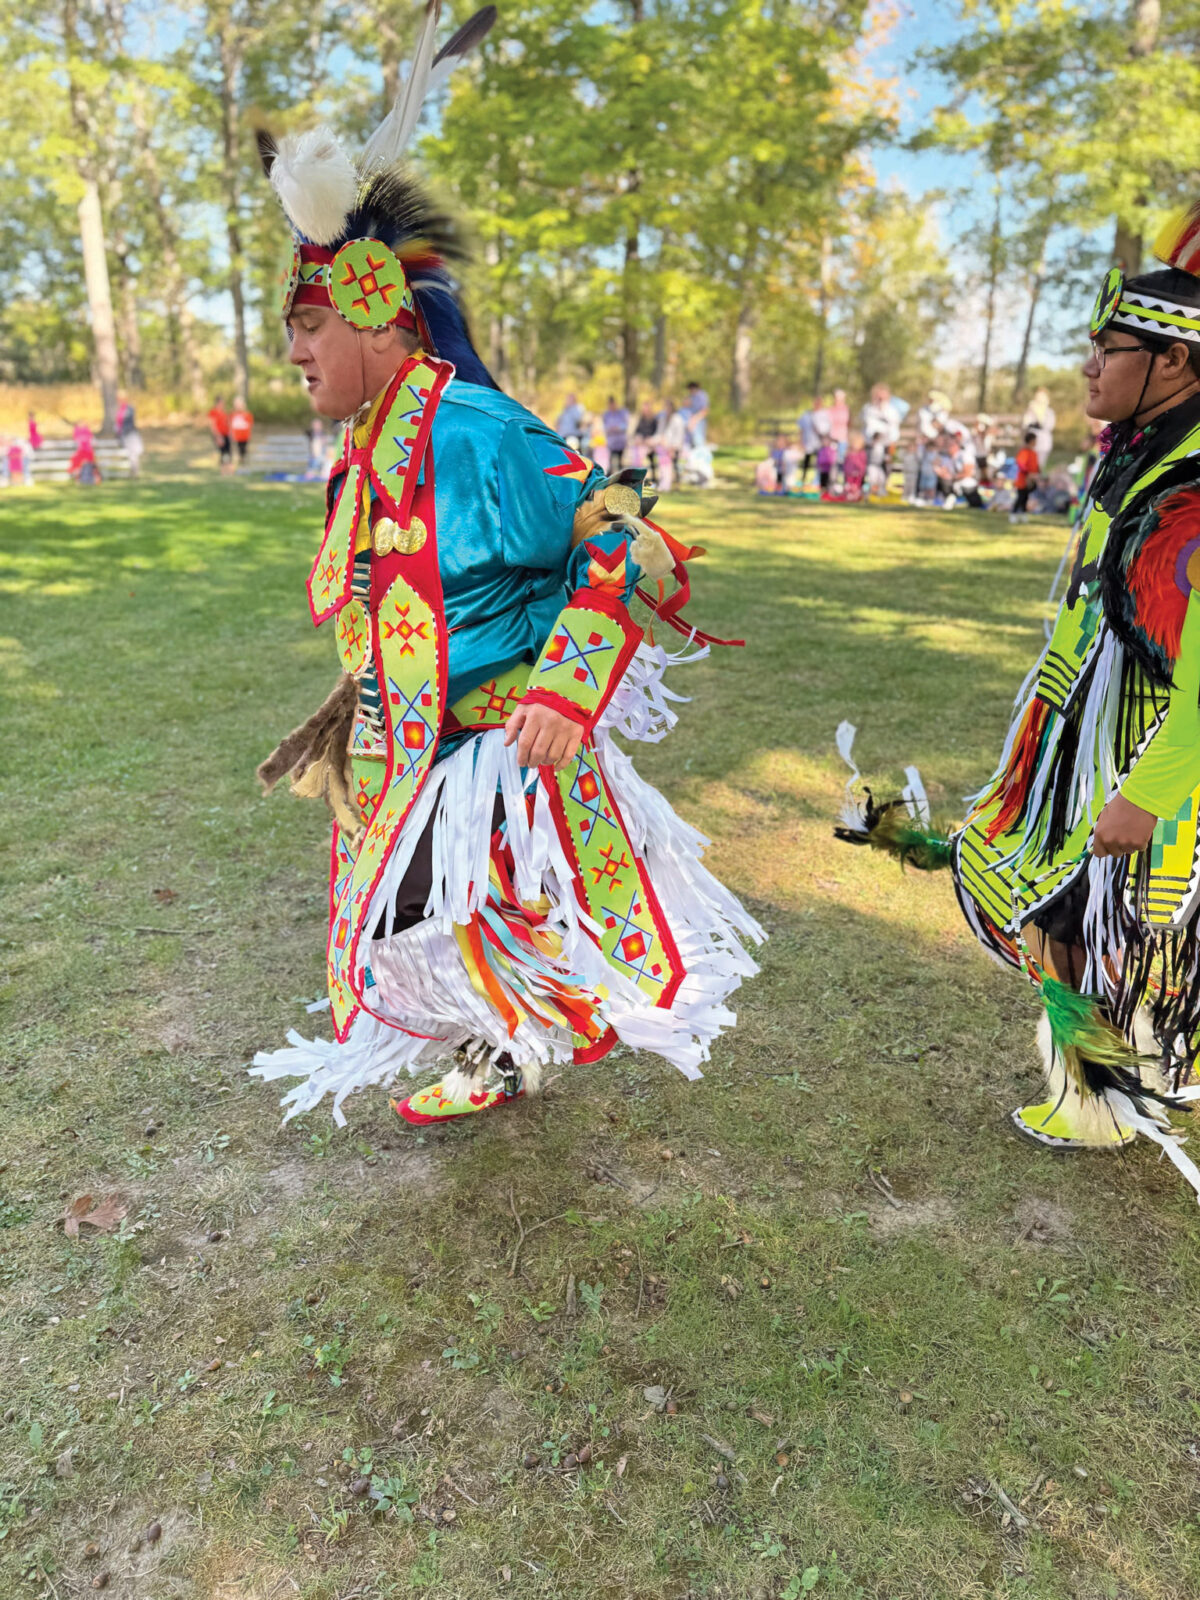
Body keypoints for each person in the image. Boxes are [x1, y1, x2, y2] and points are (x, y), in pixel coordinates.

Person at [248, 11, 762, 1130]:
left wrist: (569, 685)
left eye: (306, 323)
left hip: (494, 748)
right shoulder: (374, 443)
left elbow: (629, 533)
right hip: (410, 745)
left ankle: (532, 1029)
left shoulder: (471, 426)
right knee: (423, 926)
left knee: (457, 911)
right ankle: (508, 1040)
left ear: (378, 309)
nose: (291, 351)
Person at [838, 208, 1200, 1196]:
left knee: (1085, 920)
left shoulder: (1190, 485)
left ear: (1173, 364)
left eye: (1108, 349)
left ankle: (1100, 1095)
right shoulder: (1144, 453)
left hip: (1141, 744)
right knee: (1093, 917)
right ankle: (1141, 1072)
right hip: (1087, 725)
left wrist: (1152, 788)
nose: (1087, 366)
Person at [1011, 428, 1041, 524]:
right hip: (1023, 479)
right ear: (1031, 441)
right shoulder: (1024, 452)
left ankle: (1023, 513)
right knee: (1020, 497)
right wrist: (1028, 473)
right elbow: (1021, 464)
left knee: (1026, 497)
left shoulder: (1034, 453)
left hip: (1030, 479)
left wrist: (1037, 473)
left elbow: (1036, 466)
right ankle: (1014, 513)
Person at [1022, 385, 1057, 468]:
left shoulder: (1049, 412)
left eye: (1041, 397)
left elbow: (1047, 426)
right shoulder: (1031, 411)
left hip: (1042, 445)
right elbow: (1025, 425)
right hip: (1030, 444)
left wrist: (1038, 412)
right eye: (1037, 397)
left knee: (1038, 467)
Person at [115, 391, 144, 477]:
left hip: (130, 434)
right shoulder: (119, 410)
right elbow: (119, 423)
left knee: (134, 452)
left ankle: (135, 471)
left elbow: (128, 422)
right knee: (131, 453)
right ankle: (133, 471)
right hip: (123, 435)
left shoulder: (129, 409)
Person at [602, 395, 630, 473]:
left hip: (620, 441)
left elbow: (625, 425)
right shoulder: (606, 415)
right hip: (611, 442)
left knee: (620, 462)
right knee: (610, 461)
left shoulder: (622, 413)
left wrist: (617, 428)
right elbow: (605, 427)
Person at [631, 400, 658, 470]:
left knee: (642, 451)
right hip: (642, 442)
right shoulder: (641, 419)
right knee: (636, 451)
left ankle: (639, 469)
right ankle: (636, 470)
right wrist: (638, 437)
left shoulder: (654, 420)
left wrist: (649, 439)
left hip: (650, 442)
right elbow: (636, 431)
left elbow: (656, 432)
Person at [682, 380, 708, 447]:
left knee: (698, 439)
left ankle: (701, 452)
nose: (690, 391)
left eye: (690, 389)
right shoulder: (691, 396)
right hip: (691, 419)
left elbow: (704, 411)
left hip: (699, 420)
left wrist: (694, 420)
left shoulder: (702, 396)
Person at [207, 397, 232, 470]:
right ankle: (223, 469)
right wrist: (218, 436)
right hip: (219, 435)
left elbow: (227, 423)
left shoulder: (224, 412)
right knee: (223, 452)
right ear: (218, 403)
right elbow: (213, 425)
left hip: (226, 434)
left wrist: (230, 433)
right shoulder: (213, 412)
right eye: (222, 403)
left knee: (228, 451)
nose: (223, 404)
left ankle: (228, 468)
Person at [842, 431, 867, 501]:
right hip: (849, 473)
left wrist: (861, 471)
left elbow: (862, 464)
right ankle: (848, 496)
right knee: (849, 486)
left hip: (858, 474)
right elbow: (846, 463)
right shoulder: (848, 452)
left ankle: (856, 496)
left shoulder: (862, 453)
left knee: (856, 486)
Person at [229, 398, 254, 465]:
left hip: (244, 435)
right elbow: (231, 425)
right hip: (237, 436)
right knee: (238, 449)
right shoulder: (233, 414)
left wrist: (249, 434)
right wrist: (232, 434)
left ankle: (243, 461)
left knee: (244, 449)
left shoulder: (247, 414)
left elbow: (250, 425)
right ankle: (239, 461)